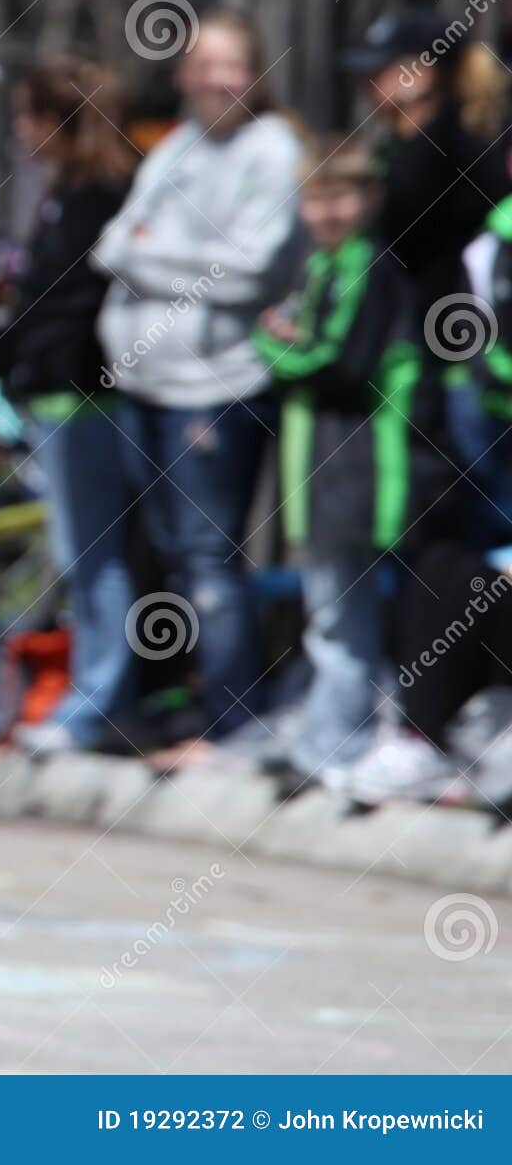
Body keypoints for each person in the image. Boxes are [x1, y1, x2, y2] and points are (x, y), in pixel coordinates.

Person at [92, 11, 304, 769]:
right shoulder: (176, 146)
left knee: (212, 559)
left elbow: (250, 269)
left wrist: (153, 258)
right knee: (175, 559)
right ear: (184, 74)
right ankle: (191, 710)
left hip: (216, 388)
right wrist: (175, 258)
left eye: (232, 65)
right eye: (203, 64)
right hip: (147, 385)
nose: (217, 79)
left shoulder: (271, 151)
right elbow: (111, 243)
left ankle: (234, 725)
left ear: (256, 74)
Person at [251, 138, 445, 785]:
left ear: (369, 200)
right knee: (337, 612)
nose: (326, 211)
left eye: (340, 196)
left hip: (359, 469)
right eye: (314, 197)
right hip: (325, 467)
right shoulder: (321, 268)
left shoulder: (370, 269)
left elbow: (337, 365)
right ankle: (342, 735)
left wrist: (269, 345)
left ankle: (335, 746)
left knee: (341, 616)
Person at [0, 57, 138, 755]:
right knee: (78, 553)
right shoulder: (63, 193)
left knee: (94, 555)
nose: (20, 131)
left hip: (86, 397)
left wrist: (15, 349)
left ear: (57, 123)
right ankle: (91, 690)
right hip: (53, 395)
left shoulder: (97, 196)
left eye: (29, 117)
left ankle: (98, 700)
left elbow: (67, 301)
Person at [344, 13, 512, 545]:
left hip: (460, 371)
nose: (367, 85)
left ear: (424, 73)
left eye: (382, 70)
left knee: (477, 534)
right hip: (423, 364)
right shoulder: (404, 149)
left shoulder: (451, 152)